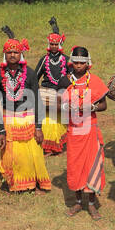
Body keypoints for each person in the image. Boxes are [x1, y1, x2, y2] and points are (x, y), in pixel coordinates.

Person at [0, 36, 52, 193]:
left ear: (21, 54)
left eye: (16, 52)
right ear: (4, 54)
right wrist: (0, 130)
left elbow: (37, 100)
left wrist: (38, 127)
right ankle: (15, 182)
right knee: (11, 153)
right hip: (8, 118)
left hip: (28, 118)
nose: (12, 55)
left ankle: (33, 183)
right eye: (9, 52)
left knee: (32, 154)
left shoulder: (31, 73)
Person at [61, 46, 109, 219]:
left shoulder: (94, 80)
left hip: (90, 129)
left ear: (88, 63)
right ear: (71, 62)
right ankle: (78, 202)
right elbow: (57, 105)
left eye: (82, 63)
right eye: (76, 62)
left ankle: (91, 203)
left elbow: (104, 105)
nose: (79, 66)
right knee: (76, 165)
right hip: (74, 130)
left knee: (91, 165)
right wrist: (67, 106)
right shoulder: (65, 81)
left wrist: (92, 106)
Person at [35, 21, 70, 155]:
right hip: (46, 94)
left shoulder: (66, 60)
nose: (54, 47)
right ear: (48, 45)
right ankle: (48, 146)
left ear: (60, 44)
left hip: (61, 95)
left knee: (58, 120)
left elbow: (72, 77)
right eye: (52, 44)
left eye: (56, 44)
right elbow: (35, 77)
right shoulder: (44, 59)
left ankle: (56, 144)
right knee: (48, 121)